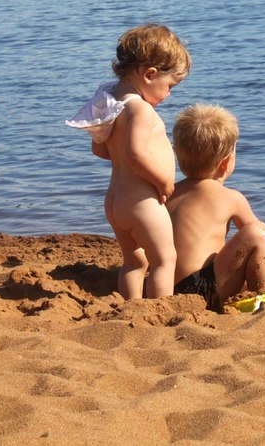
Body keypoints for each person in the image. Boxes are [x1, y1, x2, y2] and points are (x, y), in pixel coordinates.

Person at [66, 24, 191, 300]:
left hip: (115, 202)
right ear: (150, 74)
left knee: (135, 261)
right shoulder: (140, 110)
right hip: (141, 204)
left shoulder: (112, 105)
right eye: (170, 86)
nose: (169, 94)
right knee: (164, 260)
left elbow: (100, 149)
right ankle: (160, 308)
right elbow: (135, 153)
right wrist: (163, 181)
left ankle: (130, 304)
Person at [167, 104, 265, 312]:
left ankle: (255, 298)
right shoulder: (231, 197)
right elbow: (264, 239)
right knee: (258, 232)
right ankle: (262, 302)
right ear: (226, 163)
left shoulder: (169, 193)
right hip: (202, 290)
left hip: (170, 288)